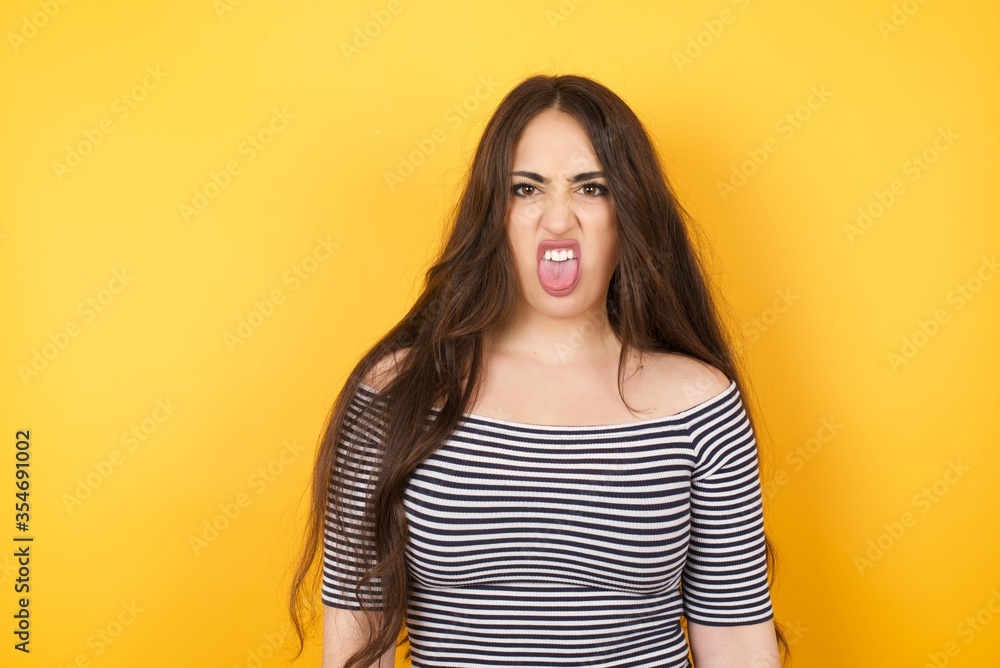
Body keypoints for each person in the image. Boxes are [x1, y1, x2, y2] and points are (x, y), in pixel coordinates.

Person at [288, 74, 789, 668]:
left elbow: (735, 641)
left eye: (591, 188)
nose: (558, 220)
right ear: (492, 214)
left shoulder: (699, 405)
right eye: (527, 189)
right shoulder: (394, 394)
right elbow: (355, 636)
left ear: (628, 212)